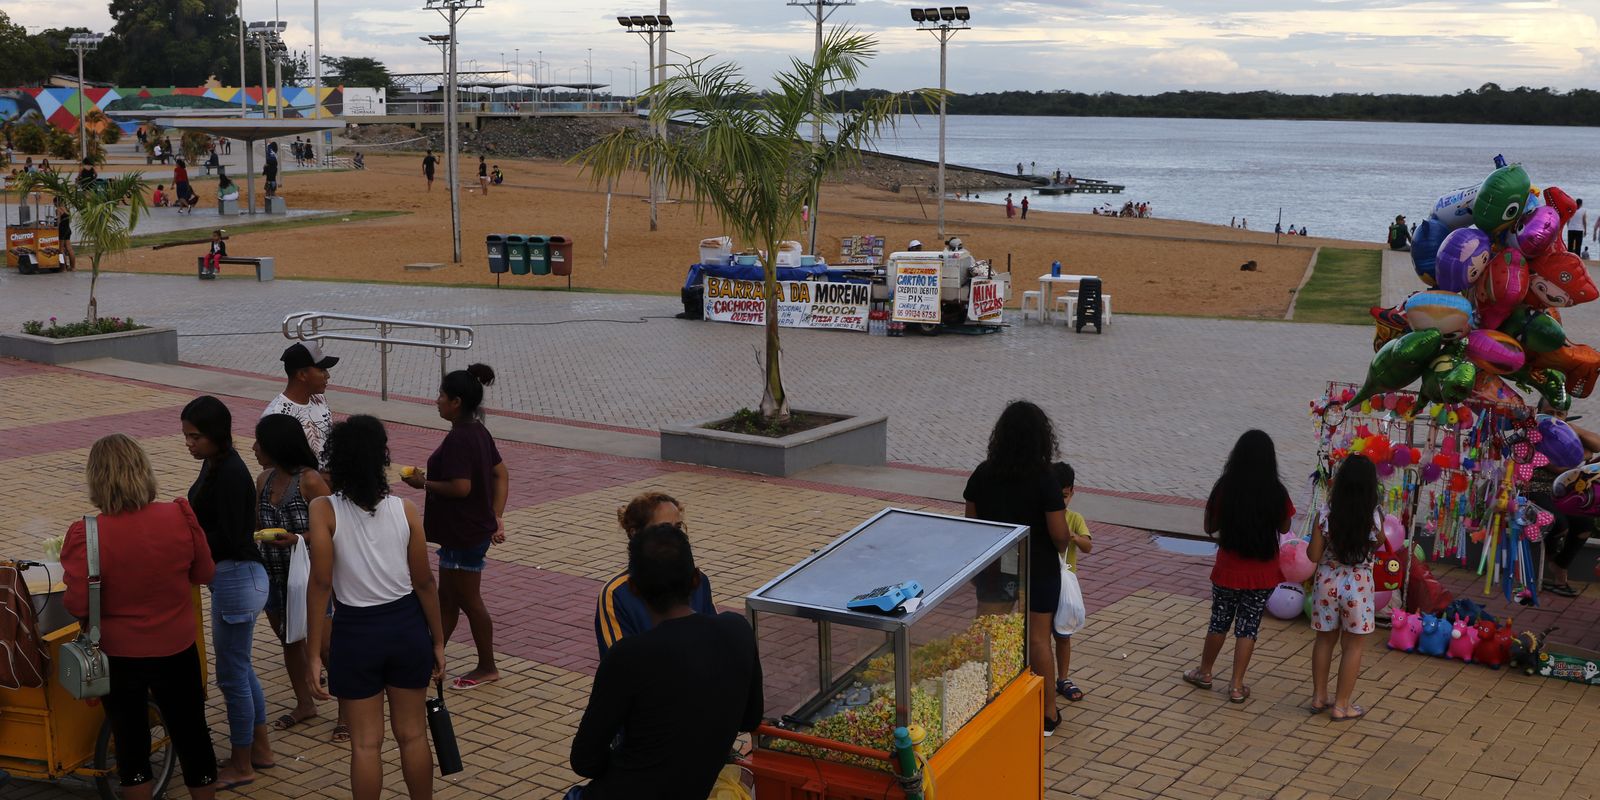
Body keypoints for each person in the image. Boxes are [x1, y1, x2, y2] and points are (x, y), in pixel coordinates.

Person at [62, 434, 221, 800]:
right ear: (144, 470)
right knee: (193, 735)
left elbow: (78, 604)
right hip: (176, 646)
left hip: (120, 656)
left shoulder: (88, 533)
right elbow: (204, 574)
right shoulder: (180, 514)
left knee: (132, 746)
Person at [305, 416, 445, 800]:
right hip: (406, 629)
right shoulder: (406, 510)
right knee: (413, 735)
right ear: (381, 458)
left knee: (366, 744)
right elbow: (424, 583)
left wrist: (313, 652)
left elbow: (320, 584)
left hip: (355, 633)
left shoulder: (323, 510)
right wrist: (437, 642)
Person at [568, 524, 762, 800]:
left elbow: (585, 760)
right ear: (696, 579)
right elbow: (751, 717)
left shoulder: (627, 656)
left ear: (634, 588)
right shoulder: (737, 630)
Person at [181, 396, 274, 789]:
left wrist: (189, 547)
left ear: (217, 435)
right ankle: (260, 749)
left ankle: (241, 764)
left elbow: (233, 536)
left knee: (231, 676)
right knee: (241, 668)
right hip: (233, 577)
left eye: (196, 437)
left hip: (238, 577)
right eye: (186, 436)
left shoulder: (233, 473)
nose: (189, 444)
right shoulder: (214, 463)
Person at [399, 364, 509, 689]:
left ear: (456, 402)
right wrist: (496, 515)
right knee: (448, 600)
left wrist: (424, 483)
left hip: (464, 534)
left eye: (441, 395)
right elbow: (501, 473)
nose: (436, 401)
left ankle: (487, 666)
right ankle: (432, 658)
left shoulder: (462, 438)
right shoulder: (477, 430)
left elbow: (461, 487)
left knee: (469, 601)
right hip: (468, 531)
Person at [964, 400, 1069, 736]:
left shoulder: (983, 472)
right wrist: (1066, 540)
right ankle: (1048, 715)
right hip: (1037, 568)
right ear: (1042, 438)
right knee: (1039, 640)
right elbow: (1058, 534)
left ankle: (980, 702)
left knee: (988, 635)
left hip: (996, 567)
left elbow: (971, 524)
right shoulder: (1045, 478)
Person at [1183, 430, 1291, 704]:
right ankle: (1236, 685)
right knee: (1248, 626)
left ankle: (1205, 672)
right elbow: (1285, 526)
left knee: (1219, 620)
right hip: (1263, 571)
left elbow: (1210, 527)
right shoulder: (1277, 492)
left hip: (1228, 569)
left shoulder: (1225, 488)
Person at [252, 415, 333, 734]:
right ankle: (305, 703)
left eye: (260, 442)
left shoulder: (310, 480)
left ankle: (347, 711)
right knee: (289, 640)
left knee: (326, 647)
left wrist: (299, 538)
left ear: (277, 446)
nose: (254, 447)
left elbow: (334, 525)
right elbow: (257, 522)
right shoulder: (264, 480)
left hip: (311, 577)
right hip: (273, 574)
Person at [595, 491, 717, 659]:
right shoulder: (616, 593)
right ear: (635, 533)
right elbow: (619, 664)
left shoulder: (698, 578)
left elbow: (713, 637)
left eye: (678, 528)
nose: (675, 536)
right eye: (664, 528)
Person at [1308, 454, 1380, 722]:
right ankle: (1342, 705)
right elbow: (1379, 544)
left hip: (1327, 582)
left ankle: (1318, 696)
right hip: (1358, 586)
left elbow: (1313, 555)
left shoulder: (1325, 515)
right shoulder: (1374, 517)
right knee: (1353, 646)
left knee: (1324, 640)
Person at [1527, 404, 1600, 596]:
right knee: (1559, 522)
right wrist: (1585, 456)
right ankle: (1554, 566)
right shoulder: (1534, 434)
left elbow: (1598, 445)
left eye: (1560, 414)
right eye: (1549, 413)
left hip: (1560, 493)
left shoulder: (1566, 435)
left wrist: (1572, 429)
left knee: (1585, 524)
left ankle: (1560, 566)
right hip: (1534, 489)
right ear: (1539, 411)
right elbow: (1558, 467)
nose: (1555, 417)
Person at [1049, 462, 1092, 703]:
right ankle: (1040, 674)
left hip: (1065, 586)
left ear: (1072, 493)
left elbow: (1088, 546)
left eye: (1064, 496)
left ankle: (1063, 677)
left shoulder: (1074, 518)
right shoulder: (1043, 515)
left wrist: (1073, 536)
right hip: (1045, 581)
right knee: (1041, 633)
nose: (1061, 501)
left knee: (1063, 634)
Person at [263, 341, 338, 465]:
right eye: (321, 370)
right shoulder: (276, 416)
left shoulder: (319, 399)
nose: (327, 375)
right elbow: (274, 469)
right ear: (302, 375)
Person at [55, 196, 74, 271]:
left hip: (62, 230)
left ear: (56, 203)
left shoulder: (58, 210)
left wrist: (54, 224)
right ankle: (73, 267)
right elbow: (69, 221)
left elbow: (58, 222)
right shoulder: (67, 209)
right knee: (69, 248)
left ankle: (63, 268)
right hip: (68, 229)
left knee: (61, 249)